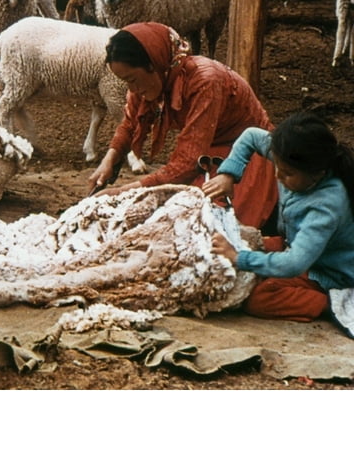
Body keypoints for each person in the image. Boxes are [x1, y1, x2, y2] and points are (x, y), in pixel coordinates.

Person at [87, 21, 277, 229]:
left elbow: (188, 162)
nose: (133, 89)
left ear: (154, 65)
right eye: (127, 82)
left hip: (246, 155)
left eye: (133, 79)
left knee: (212, 227)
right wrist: (109, 159)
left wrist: (127, 192)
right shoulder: (155, 78)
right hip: (210, 151)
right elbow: (131, 123)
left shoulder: (205, 82)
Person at [204, 112, 354, 323]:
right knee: (249, 242)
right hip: (294, 243)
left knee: (259, 298)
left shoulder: (326, 205)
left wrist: (239, 257)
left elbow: (294, 264)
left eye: (287, 173)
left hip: (327, 269)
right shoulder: (288, 155)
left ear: (317, 173)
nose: (277, 176)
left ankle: (329, 303)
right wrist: (228, 174)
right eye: (278, 167)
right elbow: (251, 135)